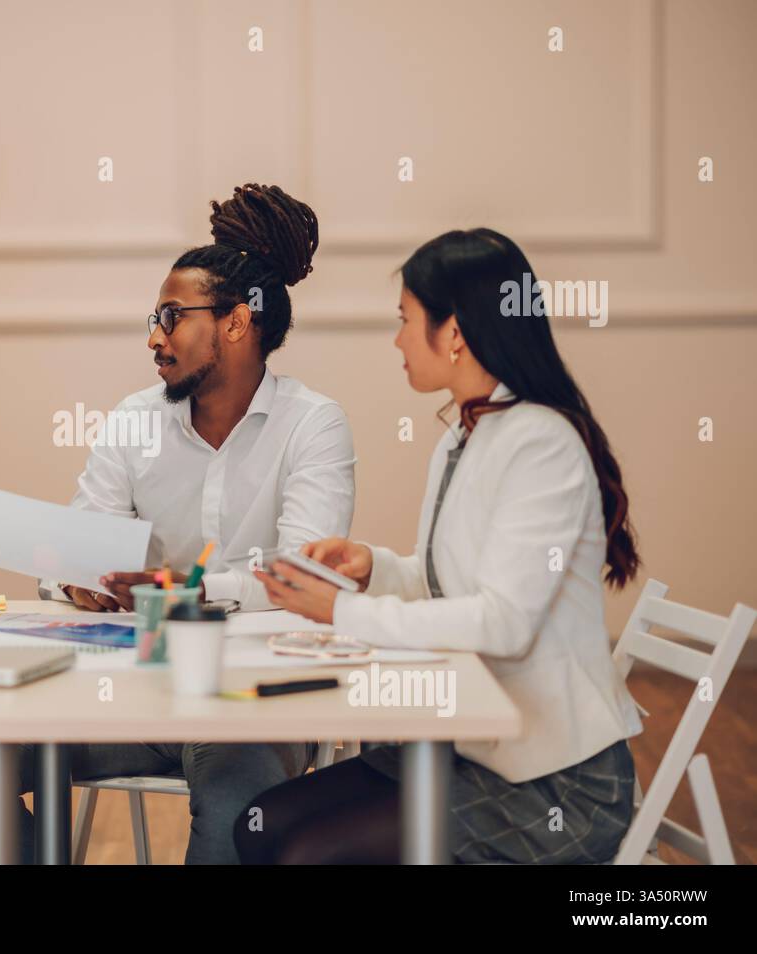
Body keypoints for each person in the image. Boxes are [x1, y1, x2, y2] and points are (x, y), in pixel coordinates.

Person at [0, 184, 357, 864]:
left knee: (235, 795)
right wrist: (79, 583)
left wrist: (184, 596)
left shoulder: (314, 426)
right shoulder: (134, 418)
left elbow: (303, 576)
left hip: (250, 701)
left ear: (235, 323)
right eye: (153, 318)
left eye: (170, 317)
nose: (153, 338)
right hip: (131, 694)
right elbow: (82, 543)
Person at [239, 228, 643, 864]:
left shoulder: (539, 443)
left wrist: (340, 610)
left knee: (307, 854)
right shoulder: (464, 434)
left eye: (406, 320)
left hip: (553, 783)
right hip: (466, 749)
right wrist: (375, 568)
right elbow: (452, 590)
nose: (398, 340)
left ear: (453, 332)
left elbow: (502, 622)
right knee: (259, 824)